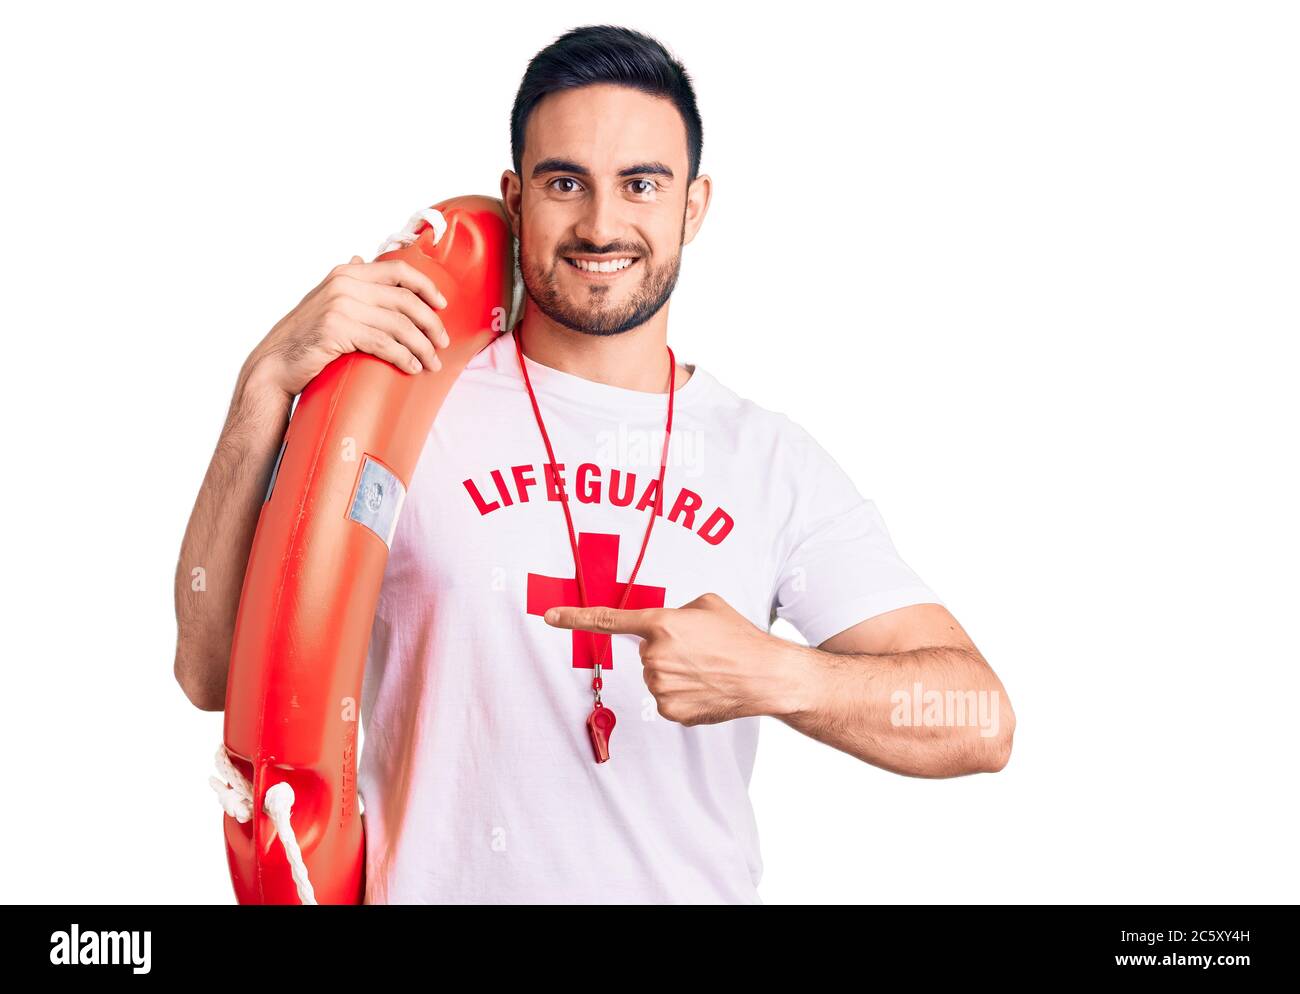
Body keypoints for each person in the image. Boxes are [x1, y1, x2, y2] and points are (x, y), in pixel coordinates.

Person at [174, 24, 1015, 904]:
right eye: (564, 182)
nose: (602, 225)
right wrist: (262, 387)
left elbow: (978, 720)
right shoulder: (411, 409)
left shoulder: (769, 461)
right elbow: (211, 669)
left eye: (641, 184)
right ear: (515, 198)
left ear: (693, 206)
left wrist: (776, 675)